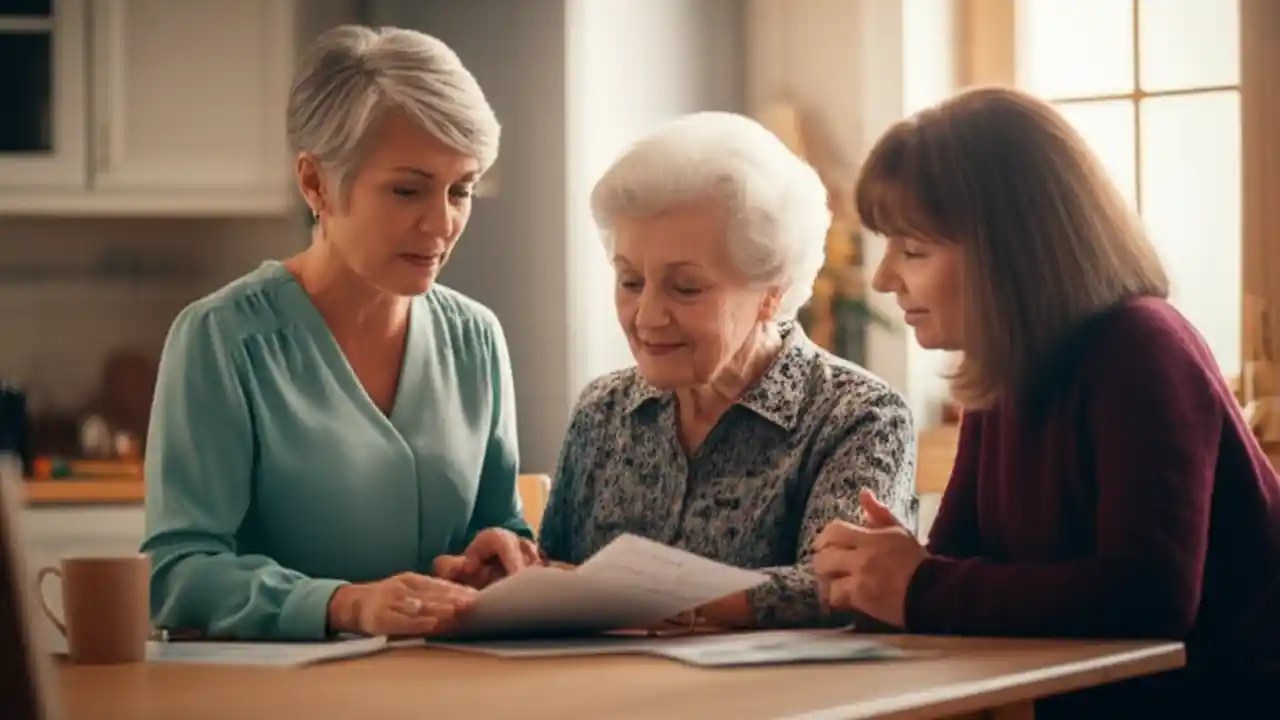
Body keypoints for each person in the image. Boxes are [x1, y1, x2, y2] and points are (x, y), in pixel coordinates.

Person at [813, 86, 1280, 709]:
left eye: (914, 250)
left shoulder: (1142, 348)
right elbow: (954, 562)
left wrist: (920, 585)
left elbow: (1152, 597)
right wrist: (880, 577)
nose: (882, 277)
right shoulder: (997, 368)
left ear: (1012, 254)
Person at [141, 25, 540, 641]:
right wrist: (343, 605)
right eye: (408, 189)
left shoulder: (476, 339)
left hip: (452, 688)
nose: (442, 222)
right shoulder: (221, 340)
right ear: (316, 183)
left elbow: (498, 525)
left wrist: (497, 559)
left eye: (461, 190)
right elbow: (178, 575)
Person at [538, 112, 917, 629]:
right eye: (630, 282)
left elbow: (841, 585)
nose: (647, 317)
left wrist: (650, 596)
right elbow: (555, 574)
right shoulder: (601, 410)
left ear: (771, 295)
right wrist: (511, 569)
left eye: (686, 288)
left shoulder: (858, 415)